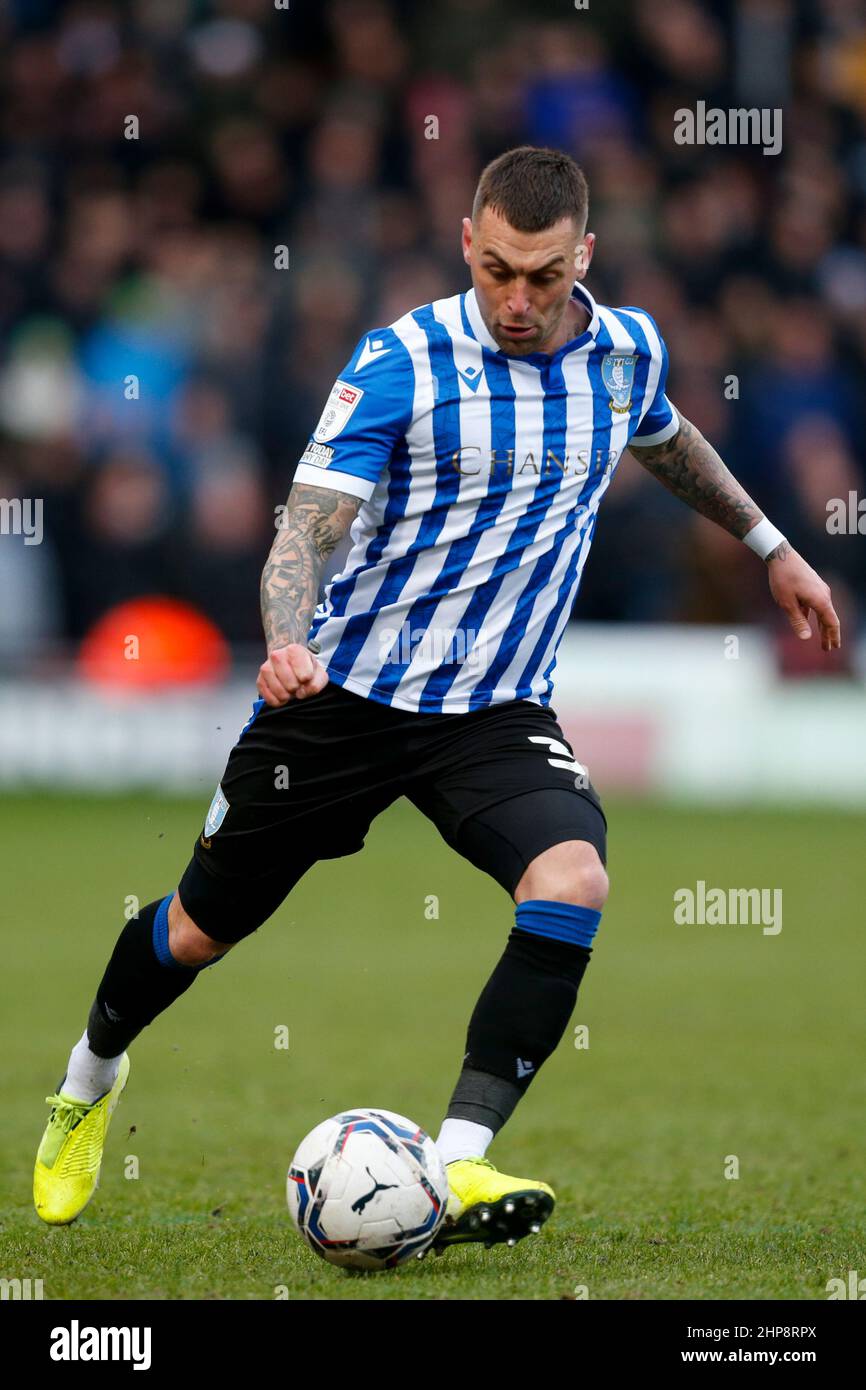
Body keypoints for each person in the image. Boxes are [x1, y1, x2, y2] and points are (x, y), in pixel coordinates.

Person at [34, 146, 840, 1252]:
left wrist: (769, 543)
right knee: (195, 930)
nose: (517, 300)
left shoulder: (625, 350)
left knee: (573, 877)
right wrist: (281, 640)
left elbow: (663, 434)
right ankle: (86, 1082)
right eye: (498, 269)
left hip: (494, 713)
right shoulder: (399, 362)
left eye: (543, 277)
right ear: (466, 242)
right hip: (342, 696)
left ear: (583, 258)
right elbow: (305, 525)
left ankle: (453, 1165)